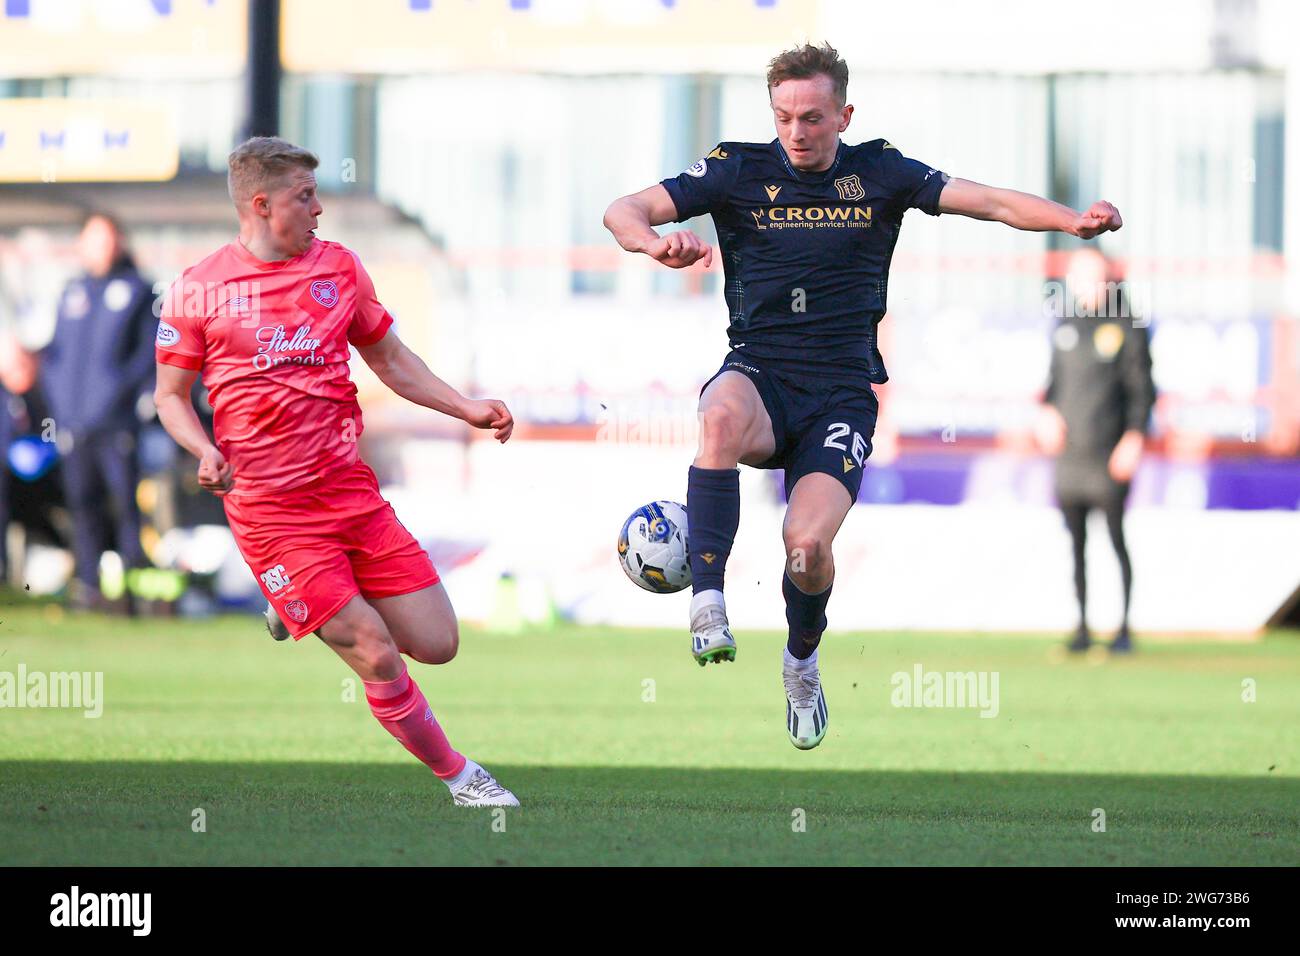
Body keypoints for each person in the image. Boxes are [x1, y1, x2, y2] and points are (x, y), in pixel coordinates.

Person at [603, 42, 1123, 750]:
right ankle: (708, 601)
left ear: (844, 114)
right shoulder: (736, 170)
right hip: (760, 373)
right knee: (718, 413)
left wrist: (1071, 223)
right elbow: (624, 209)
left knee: (806, 548)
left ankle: (801, 660)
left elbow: (991, 201)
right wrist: (651, 244)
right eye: (784, 116)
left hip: (841, 395)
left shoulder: (881, 172)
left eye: (812, 117)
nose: (796, 131)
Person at [153, 136, 519, 807]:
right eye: (305, 196)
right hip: (271, 514)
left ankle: (298, 602)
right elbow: (170, 397)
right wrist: (202, 449)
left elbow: (391, 360)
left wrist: (465, 407)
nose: (319, 209)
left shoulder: (339, 270)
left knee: (438, 644)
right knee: (376, 651)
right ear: (262, 205)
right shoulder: (198, 291)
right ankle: (463, 779)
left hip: (351, 496)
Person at [1037, 249, 1154, 654]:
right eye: (1076, 276)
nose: (1083, 284)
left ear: (1108, 278)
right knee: (1076, 541)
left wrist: (1135, 437)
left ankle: (1123, 628)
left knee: (1116, 538)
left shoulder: (1127, 324)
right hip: (1070, 454)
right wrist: (1047, 412)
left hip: (1109, 450)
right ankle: (1082, 628)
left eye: (1091, 276)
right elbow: (1052, 384)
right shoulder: (1066, 323)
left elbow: (1142, 388)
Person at [40, 212, 157, 610]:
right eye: (92, 240)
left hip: (117, 423)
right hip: (74, 423)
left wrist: (119, 397)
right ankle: (88, 587)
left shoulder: (139, 291)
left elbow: (147, 357)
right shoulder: (72, 292)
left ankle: (131, 589)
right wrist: (60, 404)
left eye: (106, 239)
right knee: (81, 503)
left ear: (120, 242)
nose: (100, 248)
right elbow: (54, 355)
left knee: (124, 504)